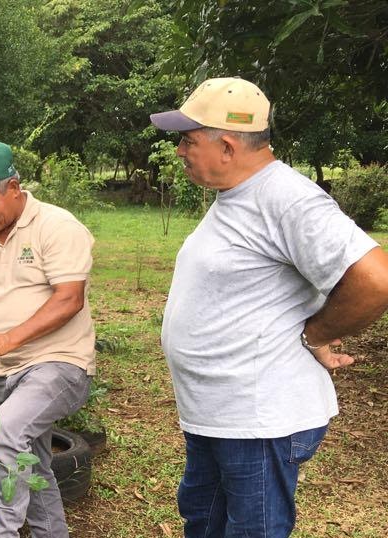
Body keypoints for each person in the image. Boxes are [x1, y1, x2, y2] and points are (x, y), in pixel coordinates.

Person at [150, 78, 388, 537]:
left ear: (226, 146)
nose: (179, 151)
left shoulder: (287, 198)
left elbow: (376, 280)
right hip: (218, 415)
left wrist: (316, 333)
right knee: (204, 522)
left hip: (257, 422)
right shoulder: (239, 194)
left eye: (188, 140)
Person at [0, 141, 96, 538]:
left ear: (13, 187)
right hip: (8, 372)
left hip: (61, 363)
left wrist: (9, 339)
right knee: (32, 466)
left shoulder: (57, 227)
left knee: (4, 434)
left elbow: (69, 299)